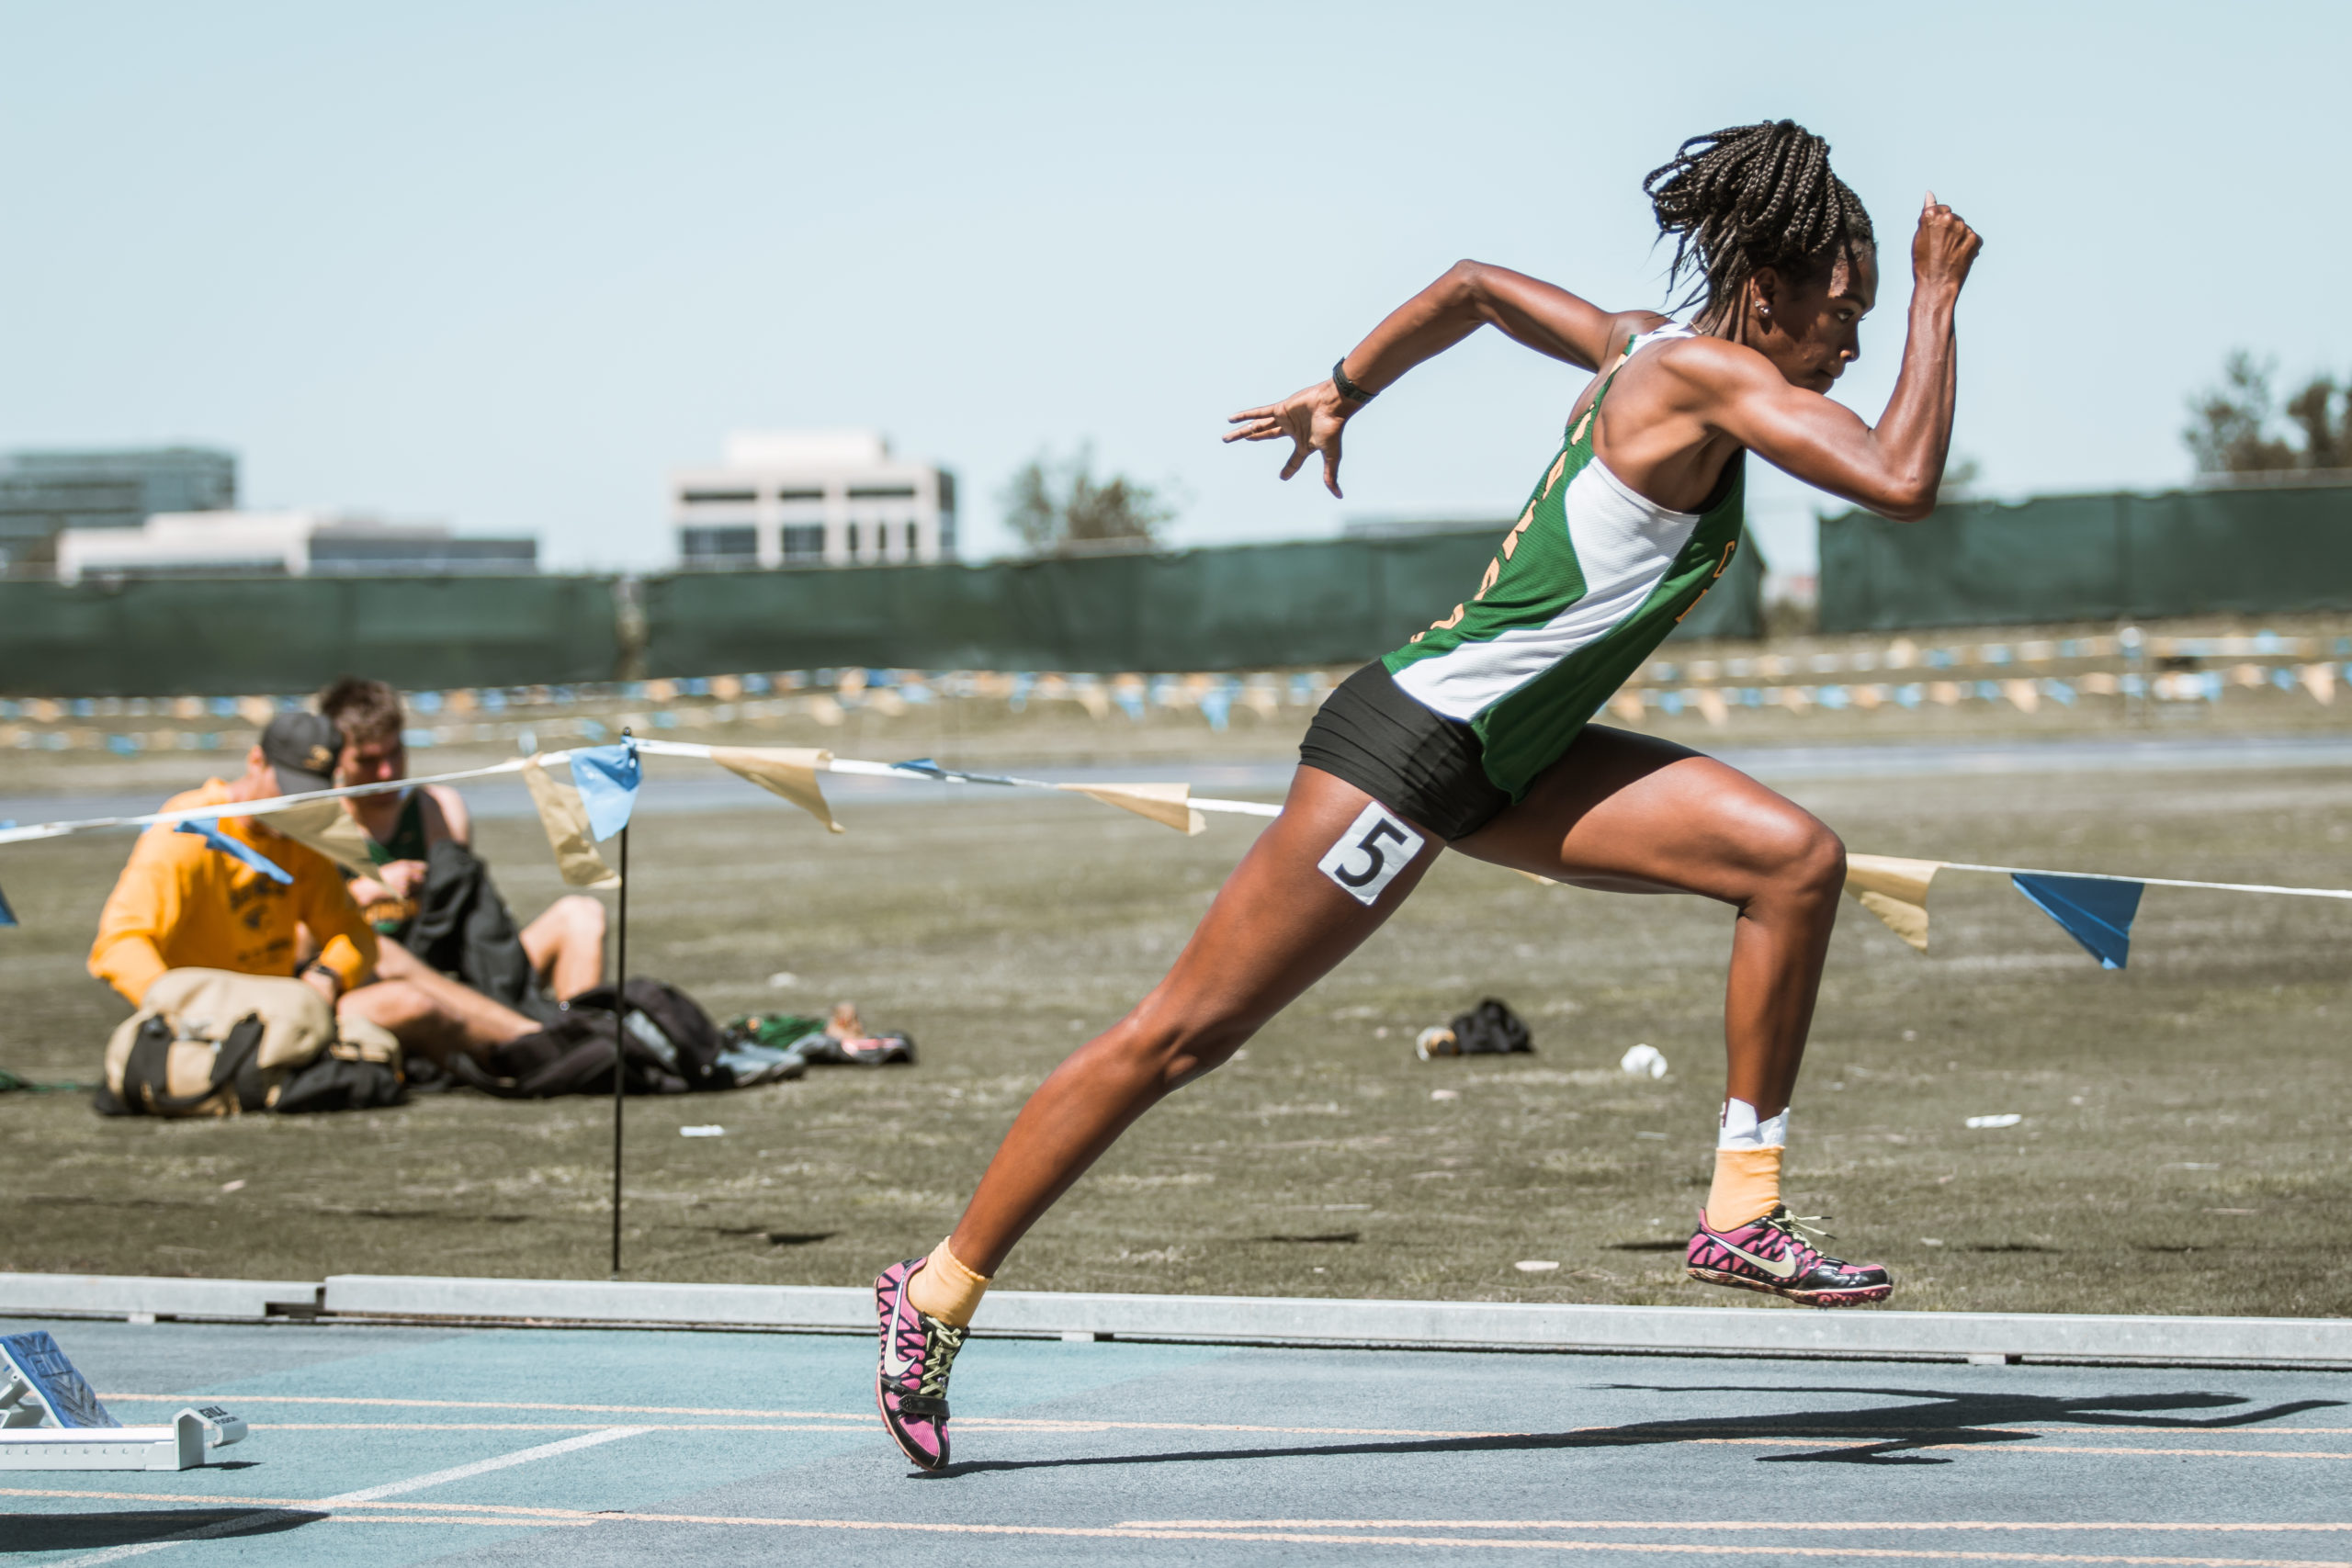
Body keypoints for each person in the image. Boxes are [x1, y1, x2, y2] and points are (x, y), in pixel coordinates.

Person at [868, 119, 1982, 1470]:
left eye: (1869, 321)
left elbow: (1472, 288)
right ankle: (936, 1290)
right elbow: (1900, 478)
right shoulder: (1699, 372)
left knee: (1794, 861)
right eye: (1843, 314)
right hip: (1412, 750)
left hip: (1518, 755)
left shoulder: (1643, 345)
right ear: (1763, 289)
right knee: (1182, 1036)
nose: (1853, 346)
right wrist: (1934, 298)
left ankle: (1742, 1210)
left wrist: (1343, 386)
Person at [87, 712, 540, 1067]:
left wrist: (328, 974)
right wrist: (185, 1010)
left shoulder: (301, 835)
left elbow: (351, 931)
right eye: (288, 791)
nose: (296, 807)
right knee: (408, 1002)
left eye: (308, 795)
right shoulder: (189, 829)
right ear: (256, 762)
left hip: (286, 1008)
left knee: (410, 995)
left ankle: (537, 1046)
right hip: (210, 1022)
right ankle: (536, 1046)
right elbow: (117, 945)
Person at [317, 677, 605, 1002]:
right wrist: (363, 893)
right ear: (335, 758)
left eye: (395, 753)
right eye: (367, 761)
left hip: (454, 981)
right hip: (373, 983)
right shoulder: (318, 825)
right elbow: (301, 939)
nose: (386, 772)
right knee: (385, 956)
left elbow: (468, 918)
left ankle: (581, 1029)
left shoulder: (439, 810)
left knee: (581, 915)